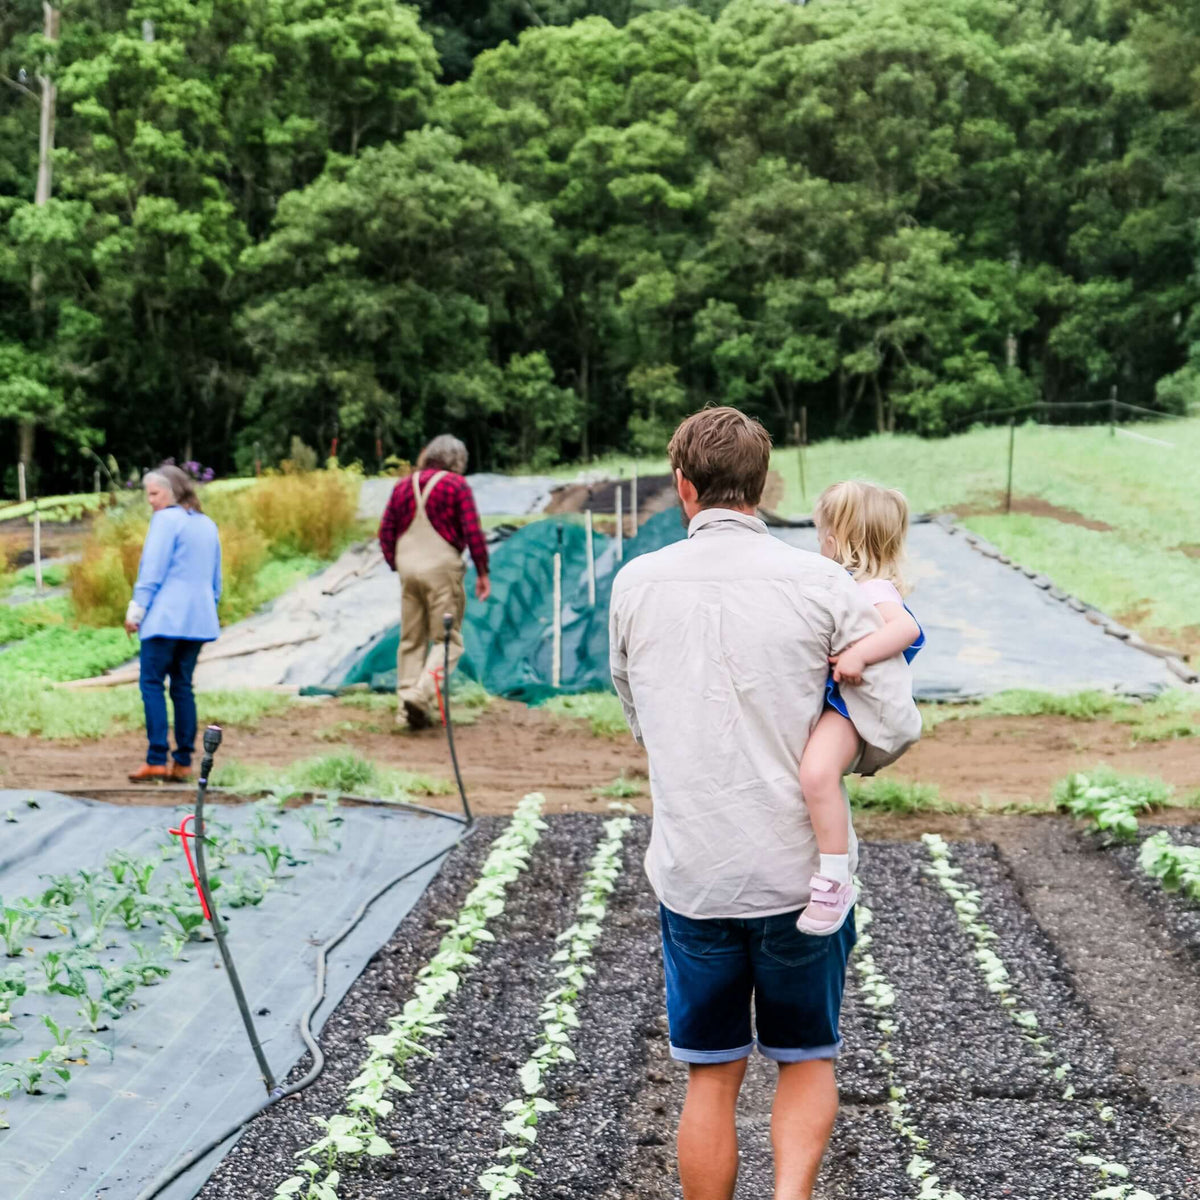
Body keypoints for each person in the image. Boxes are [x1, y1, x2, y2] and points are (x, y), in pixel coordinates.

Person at [609, 407, 921, 1200]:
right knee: (806, 1055)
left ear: (684, 487)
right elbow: (891, 719)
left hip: (696, 875)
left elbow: (638, 712)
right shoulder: (821, 583)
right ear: (761, 487)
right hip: (800, 878)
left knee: (710, 1078)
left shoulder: (636, 584)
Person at [795, 480, 925, 935]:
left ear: (838, 538)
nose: (817, 541)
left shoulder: (874, 590)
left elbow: (906, 629)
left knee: (816, 773)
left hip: (855, 707)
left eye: (820, 532)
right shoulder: (851, 585)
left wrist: (859, 654)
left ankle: (833, 880)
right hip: (841, 701)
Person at [378, 435, 490, 731]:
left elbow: (385, 531)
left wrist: (397, 564)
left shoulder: (403, 485)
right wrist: (482, 571)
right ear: (457, 460)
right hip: (441, 570)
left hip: (408, 569)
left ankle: (405, 709)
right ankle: (421, 693)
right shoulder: (455, 486)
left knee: (411, 639)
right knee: (448, 641)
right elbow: (472, 530)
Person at [124, 464, 222, 783]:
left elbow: (152, 571)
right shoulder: (207, 524)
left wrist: (136, 612)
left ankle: (155, 759)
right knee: (182, 687)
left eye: (155, 493)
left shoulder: (165, 521)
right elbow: (215, 580)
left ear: (173, 491)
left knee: (151, 683)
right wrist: (208, 608)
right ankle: (182, 763)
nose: (150, 500)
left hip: (165, 619)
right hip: (198, 621)